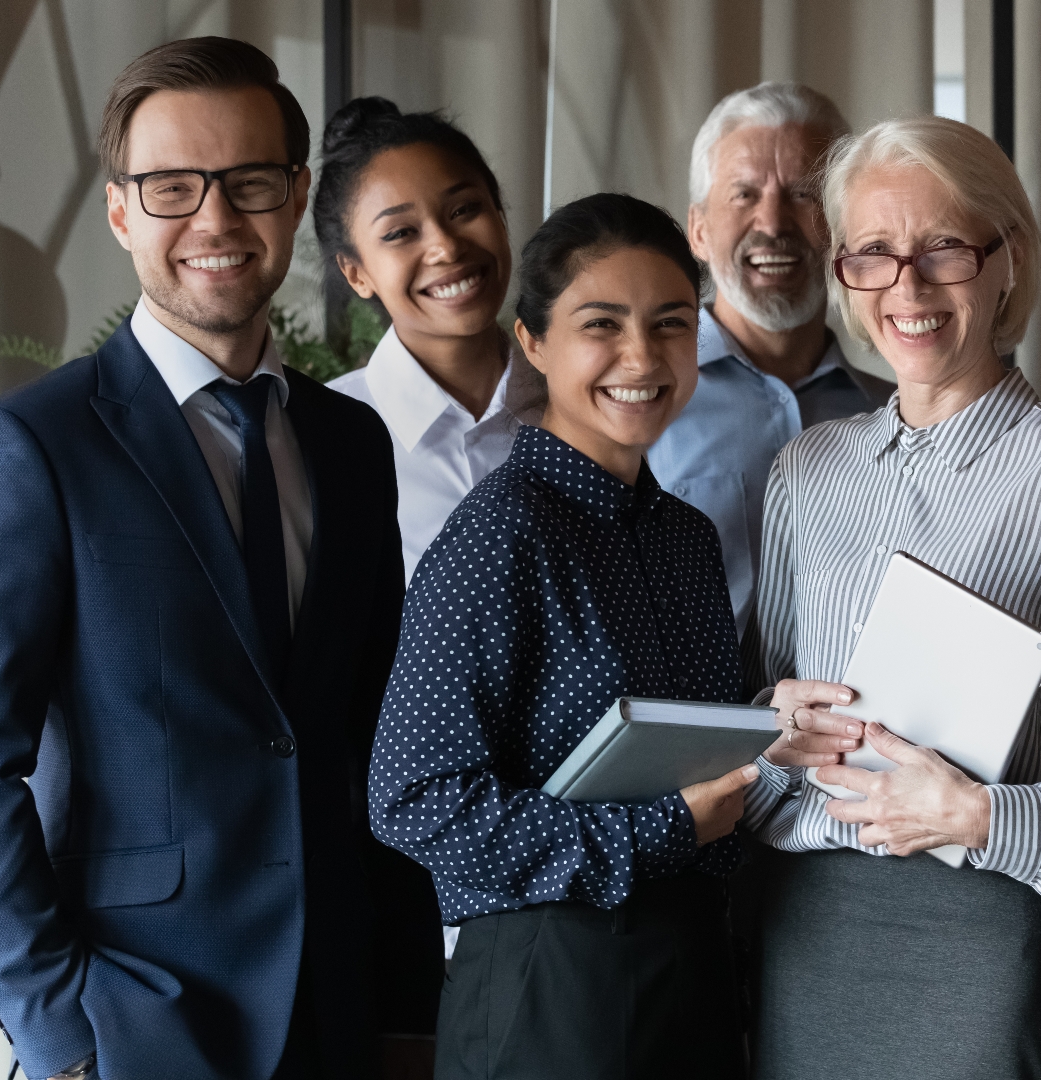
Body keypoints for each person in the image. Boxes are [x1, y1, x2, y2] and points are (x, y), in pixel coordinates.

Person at [0, 37, 441, 1080]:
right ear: (119, 213)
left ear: (295, 198)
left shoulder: (349, 441)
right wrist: (59, 1033)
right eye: (171, 187)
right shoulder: (30, 450)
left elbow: (375, 741)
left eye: (247, 183)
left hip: (338, 1014)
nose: (214, 220)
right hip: (133, 1019)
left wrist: (407, 1008)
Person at [740, 115, 1041, 1080]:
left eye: (944, 249)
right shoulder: (805, 471)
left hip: (978, 936)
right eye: (872, 253)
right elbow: (759, 737)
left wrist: (985, 819)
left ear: (1010, 260)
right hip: (799, 933)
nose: (907, 287)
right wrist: (768, 730)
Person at [368, 192, 755, 1080]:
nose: (641, 358)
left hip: (692, 974)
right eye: (601, 325)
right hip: (550, 984)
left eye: (671, 324)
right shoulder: (500, 533)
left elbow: (705, 780)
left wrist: (771, 729)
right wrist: (656, 830)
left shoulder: (685, 537)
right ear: (533, 342)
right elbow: (412, 798)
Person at [650, 81, 893, 628]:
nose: (773, 223)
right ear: (699, 231)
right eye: (743, 194)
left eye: (804, 193)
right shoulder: (639, 402)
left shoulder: (892, 416)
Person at [318, 97, 542, 581]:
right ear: (356, 273)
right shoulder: (322, 441)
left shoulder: (584, 401)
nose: (445, 246)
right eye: (400, 233)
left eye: (464, 209)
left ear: (500, 216)